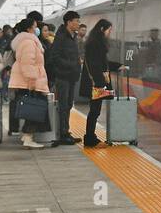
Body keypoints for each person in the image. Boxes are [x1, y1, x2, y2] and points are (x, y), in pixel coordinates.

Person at [8, 14, 52, 149]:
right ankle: (28, 137)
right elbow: (27, 63)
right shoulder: (28, 42)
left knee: (31, 108)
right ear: (29, 29)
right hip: (30, 81)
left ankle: (27, 136)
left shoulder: (27, 41)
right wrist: (32, 81)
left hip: (27, 80)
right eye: (35, 26)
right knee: (34, 109)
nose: (37, 28)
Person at [83, 19, 125, 148]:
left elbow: (103, 63)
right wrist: (100, 84)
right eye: (109, 30)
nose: (109, 33)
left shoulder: (95, 43)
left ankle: (91, 138)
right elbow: (95, 65)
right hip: (96, 83)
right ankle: (90, 139)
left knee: (95, 111)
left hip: (97, 81)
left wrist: (117, 66)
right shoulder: (96, 44)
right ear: (102, 29)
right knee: (94, 111)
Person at [46, 11, 82, 145]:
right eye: (76, 21)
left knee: (68, 105)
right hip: (63, 76)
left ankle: (66, 132)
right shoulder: (61, 37)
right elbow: (54, 57)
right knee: (63, 105)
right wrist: (71, 65)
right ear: (69, 22)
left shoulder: (73, 36)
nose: (78, 23)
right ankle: (62, 134)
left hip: (71, 76)